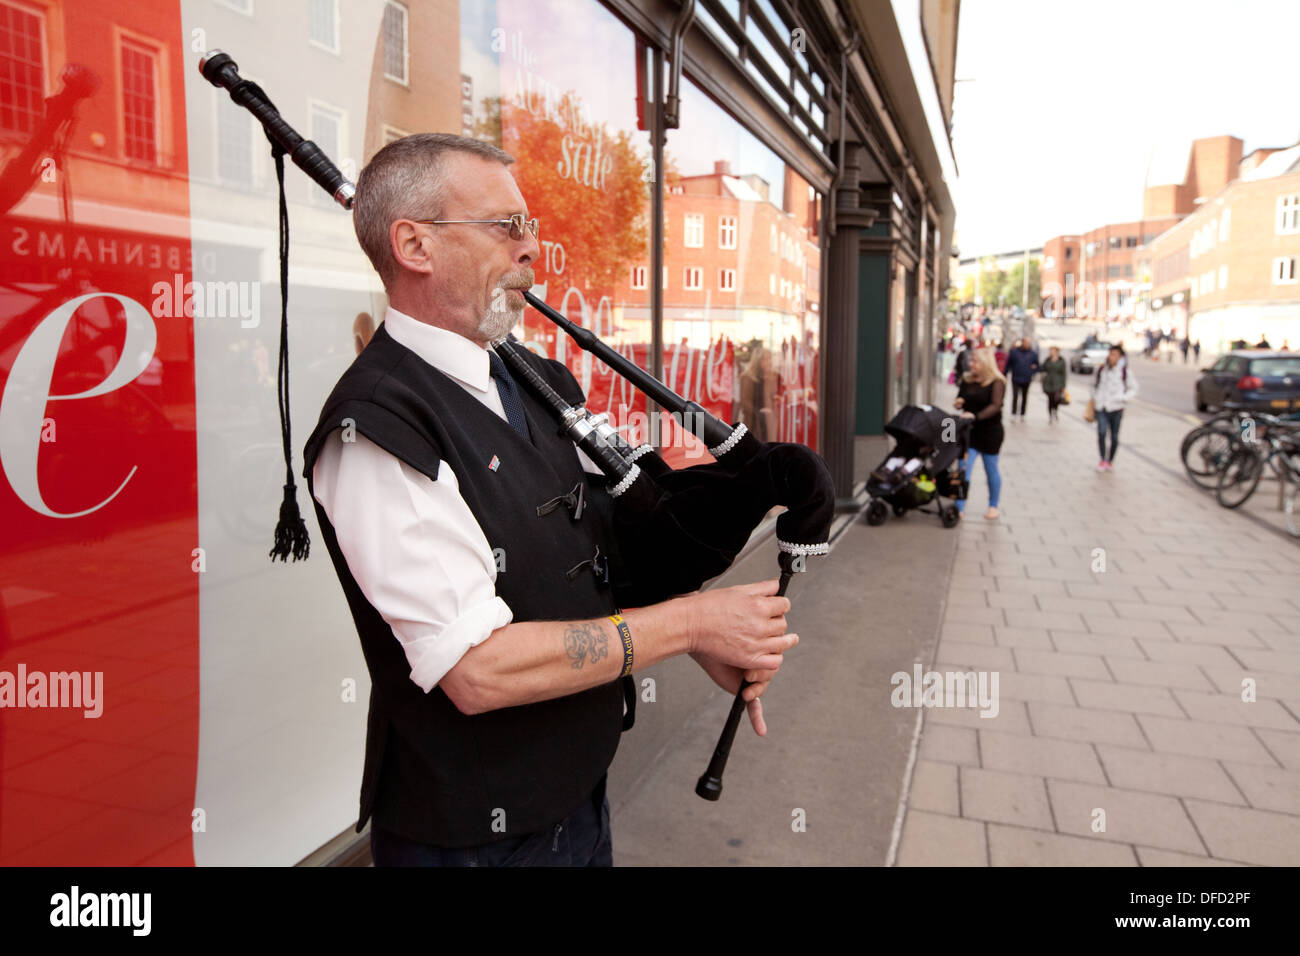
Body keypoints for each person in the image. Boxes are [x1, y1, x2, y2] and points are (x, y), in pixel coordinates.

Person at [301, 133, 798, 867]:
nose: (531, 248)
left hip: (578, 792)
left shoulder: (523, 378)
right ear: (414, 245)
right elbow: (477, 668)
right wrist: (691, 625)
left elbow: (582, 554)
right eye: (506, 227)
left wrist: (704, 642)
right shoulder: (377, 429)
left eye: (529, 226)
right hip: (476, 839)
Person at [952, 347, 1005, 520]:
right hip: (968, 433)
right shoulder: (967, 380)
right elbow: (960, 399)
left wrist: (975, 416)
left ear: (985, 364)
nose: (970, 363)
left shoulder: (997, 382)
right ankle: (959, 507)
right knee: (963, 468)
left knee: (991, 470)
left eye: (975, 361)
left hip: (990, 433)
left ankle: (993, 506)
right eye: (971, 360)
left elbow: (995, 406)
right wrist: (959, 403)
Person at [1091, 343, 1138, 471]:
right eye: (1110, 354)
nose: (1111, 357)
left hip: (1116, 408)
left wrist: (1123, 398)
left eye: (1114, 355)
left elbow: (1133, 388)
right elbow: (1093, 386)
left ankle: (1110, 461)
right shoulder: (1101, 370)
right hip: (1102, 407)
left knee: (1115, 437)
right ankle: (1102, 459)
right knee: (1101, 433)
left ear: (1120, 357)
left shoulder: (1124, 372)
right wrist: (1096, 399)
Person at [1005, 337, 1040, 420]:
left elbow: (1037, 366)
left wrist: (1033, 370)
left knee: (1024, 397)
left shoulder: (1033, 354)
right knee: (1015, 396)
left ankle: (1022, 414)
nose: (1027, 344)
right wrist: (1004, 374)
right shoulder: (1014, 352)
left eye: (1029, 343)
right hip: (1016, 378)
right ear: (1022, 343)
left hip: (1026, 378)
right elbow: (1008, 364)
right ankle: (1013, 413)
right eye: (1026, 342)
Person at [1041, 345, 1068, 423]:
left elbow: (1064, 373)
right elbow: (1043, 368)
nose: (1051, 352)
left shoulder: (1061, 361)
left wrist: (1064, 385)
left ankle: (1055, 412)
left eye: (1052, 351)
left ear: (1056, 352)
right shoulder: (1048, 360)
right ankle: (1050, 416)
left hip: (1058, 383)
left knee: (1056, 399)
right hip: (1049, 383)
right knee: (1050, 400)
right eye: (1050, 351)